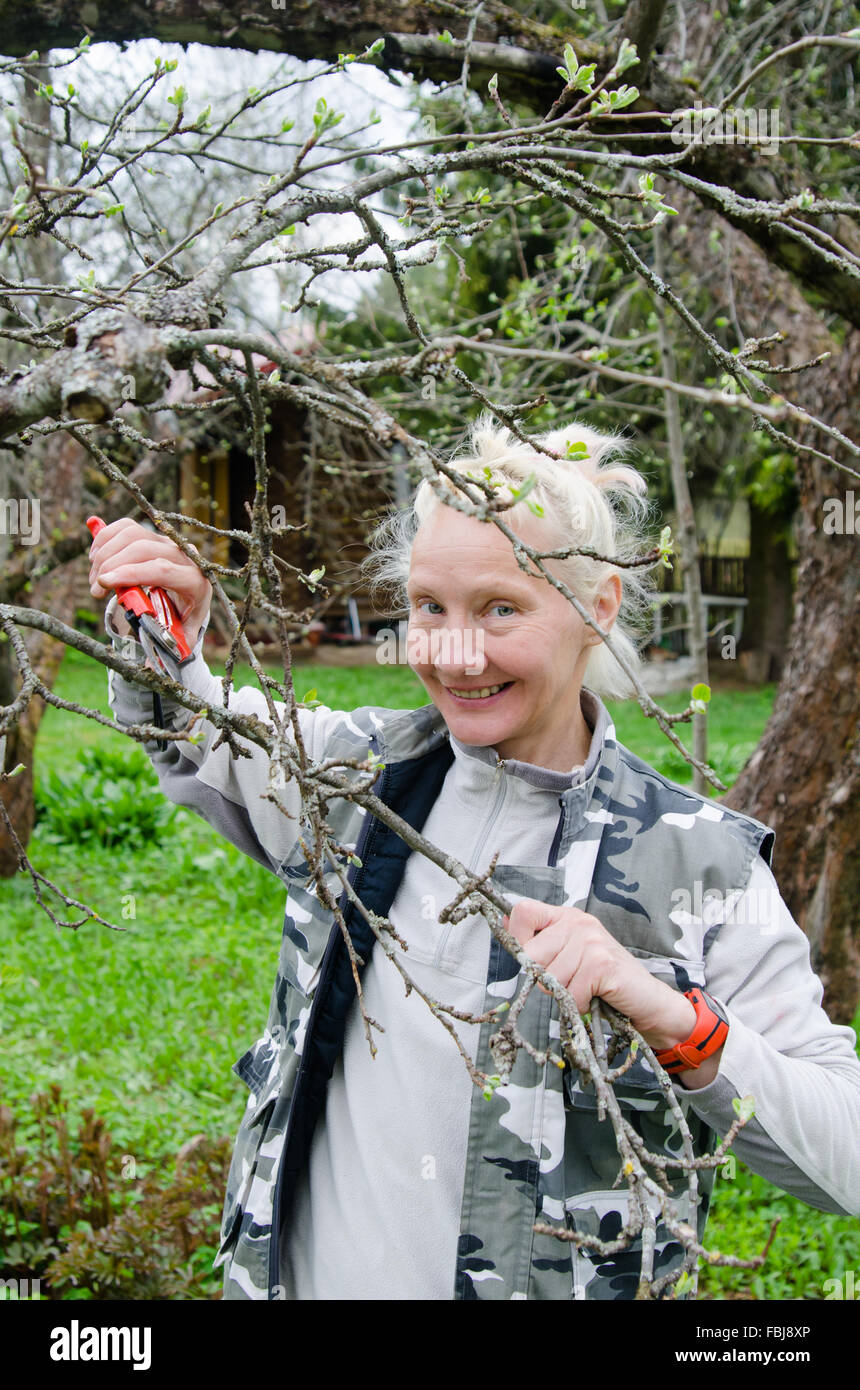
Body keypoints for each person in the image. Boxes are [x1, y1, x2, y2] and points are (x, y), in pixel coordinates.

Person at [91, 416, 860, 1302]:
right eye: (429, 608)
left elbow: (841, 1158)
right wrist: (158, 621)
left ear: (597, 607)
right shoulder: (354, 781)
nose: (455, 651)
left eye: (501, 608)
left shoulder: (700, 865)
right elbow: (191, 722)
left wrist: (677, 1021)